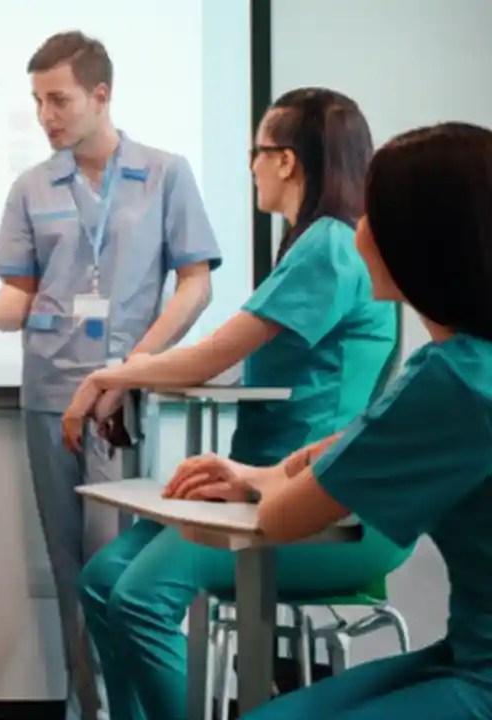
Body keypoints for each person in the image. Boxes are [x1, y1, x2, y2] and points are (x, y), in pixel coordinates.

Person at [66, 88, 415, 720]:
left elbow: (212, 357)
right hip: (255, 484)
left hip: (319, 500)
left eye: (255, 152)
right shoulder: (314, 244)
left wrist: (107, 377)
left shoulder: (329, 246)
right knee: (102, 580)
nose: (249, 166)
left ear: (284, 161)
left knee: (141, 597)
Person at [0, 31, 220, 718]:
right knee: (69, 571)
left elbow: (194, 286)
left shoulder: (165, 173)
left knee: (117, 570)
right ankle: (86, 709)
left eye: (58, 100)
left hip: (128, 401)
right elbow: (19, 301)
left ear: (101, 94)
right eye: (37, 102)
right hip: (51, 397)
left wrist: (132, 367)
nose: (47, 116)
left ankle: (134, 710)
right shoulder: (32, 187)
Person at [173, 122, 492, 719]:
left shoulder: (448, 379)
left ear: (417, 238)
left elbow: (281, 517)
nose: (358, 229)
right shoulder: (467, 369)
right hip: (468, 652)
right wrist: (266, 472)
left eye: (371, 213)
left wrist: (291, 476)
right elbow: (350, 449)